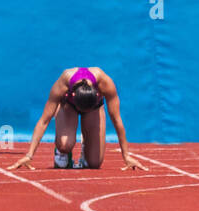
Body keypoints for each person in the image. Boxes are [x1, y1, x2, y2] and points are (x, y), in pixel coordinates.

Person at [11, 66, 144, 170]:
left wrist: (126, 156)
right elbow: (44, 120)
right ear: (73, 95)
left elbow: (117, 121)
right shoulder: (63, 82)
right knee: (65, 145)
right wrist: (29, 155)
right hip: (68, 106)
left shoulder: (105, 83)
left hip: (95, 109)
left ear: (97, 93)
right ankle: (62, 152)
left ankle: (86, 147)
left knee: (94, 163)